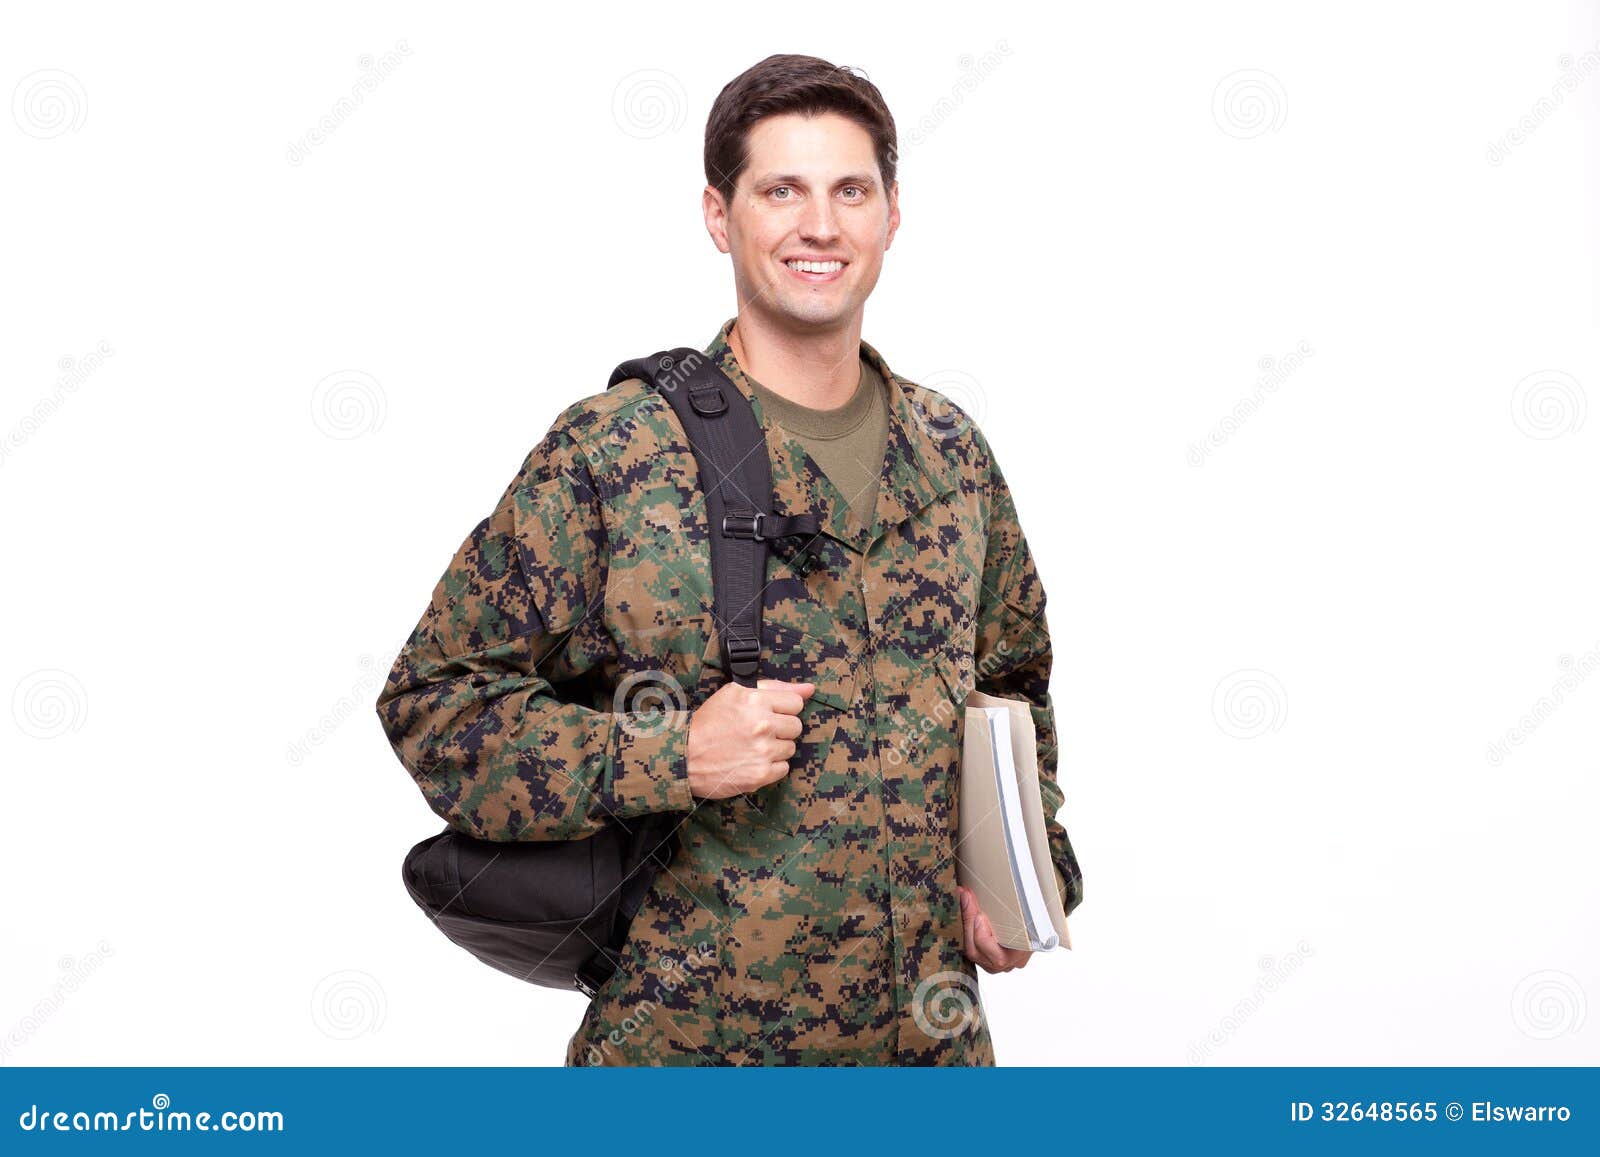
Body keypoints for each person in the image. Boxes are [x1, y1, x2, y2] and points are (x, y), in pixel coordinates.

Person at [375, 52, 1082, 1066]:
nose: (820, 225)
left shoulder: (950, 452)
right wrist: (669, 754)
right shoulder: (618, 452)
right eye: (781, 190)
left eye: (850, 190)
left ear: (892, 215)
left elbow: (1014, 687)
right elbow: (434, 703)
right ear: (719, 215)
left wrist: (1014, 875)